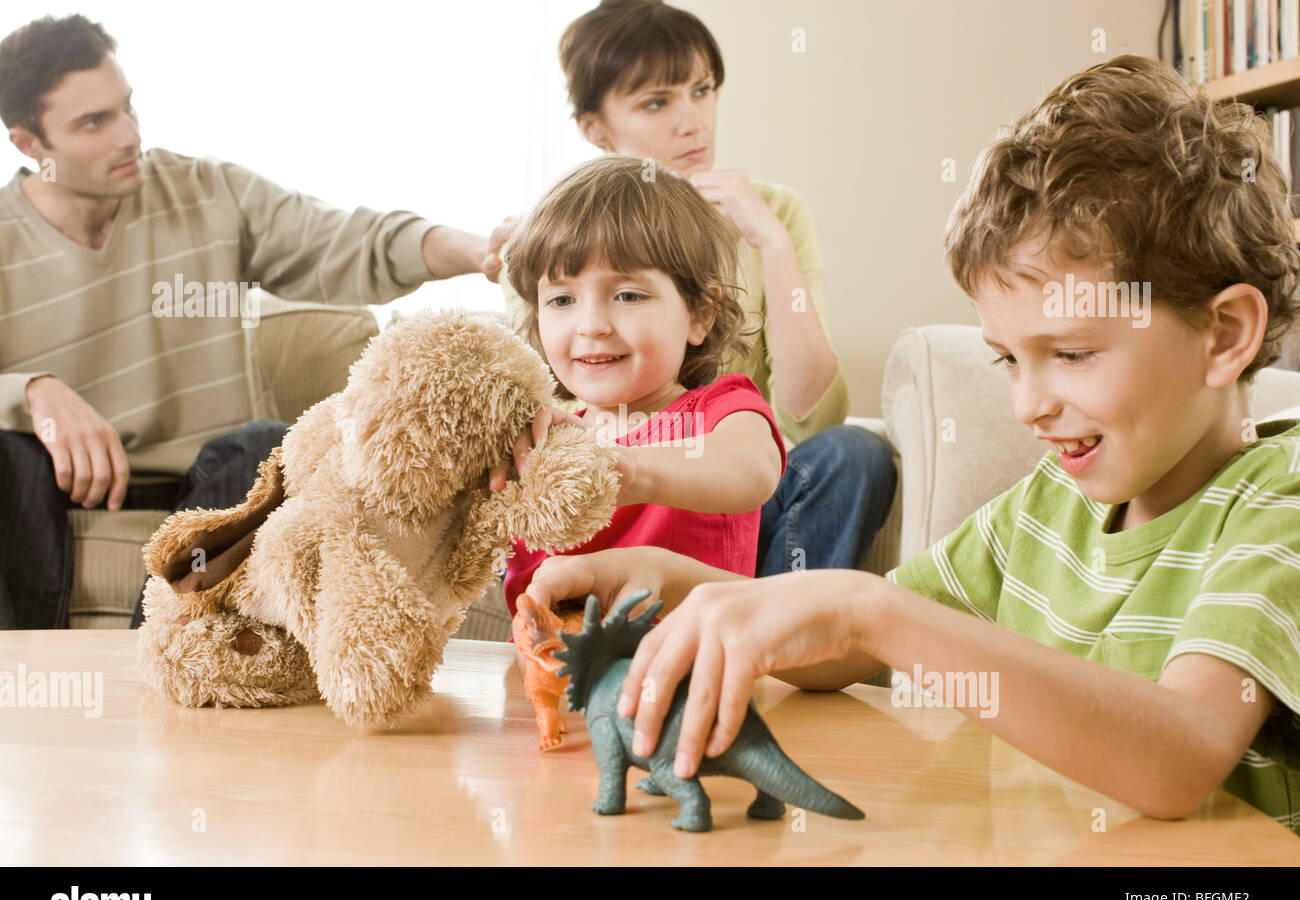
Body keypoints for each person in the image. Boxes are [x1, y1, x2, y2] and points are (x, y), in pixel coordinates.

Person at [526, 56, 1300, 833]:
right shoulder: (1047, 502)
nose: (1028, 405)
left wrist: (868, 609)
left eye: (1070, 354)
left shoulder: (1281, 499)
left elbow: (1179, 758)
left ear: (1225, 334)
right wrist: (663, 576)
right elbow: (840, 653)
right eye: (1008, 359)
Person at [0, 15, 509, 629]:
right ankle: (21, 668)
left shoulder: (207, 192)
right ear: (30, 144)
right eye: (94, 123)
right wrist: (33, 391)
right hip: (61, 486)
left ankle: (155, 652)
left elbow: (345, 240)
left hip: (207, 477)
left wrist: (479, 249)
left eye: (127, 107)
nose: (129, 135)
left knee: (268, 443)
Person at [496, 0, 896, 577]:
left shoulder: (772, 213)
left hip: (734, 492)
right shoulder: (549, 243)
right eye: (657, 102)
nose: (693, 121)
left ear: (701, 310)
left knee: (855, 453)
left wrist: (773, 246)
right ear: (594, 128)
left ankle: (781, 628)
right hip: (609, 507)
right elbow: (558, 403)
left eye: (702, 90)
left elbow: (814, 420)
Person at [500, 155, 785, 615]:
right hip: (545, 674)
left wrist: (630, 469)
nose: (591, 325)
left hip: (689, 668)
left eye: (628, 295)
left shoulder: (721, 408)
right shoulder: (546, 437)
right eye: (562, 299)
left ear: (700, 314)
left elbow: (753, 470)